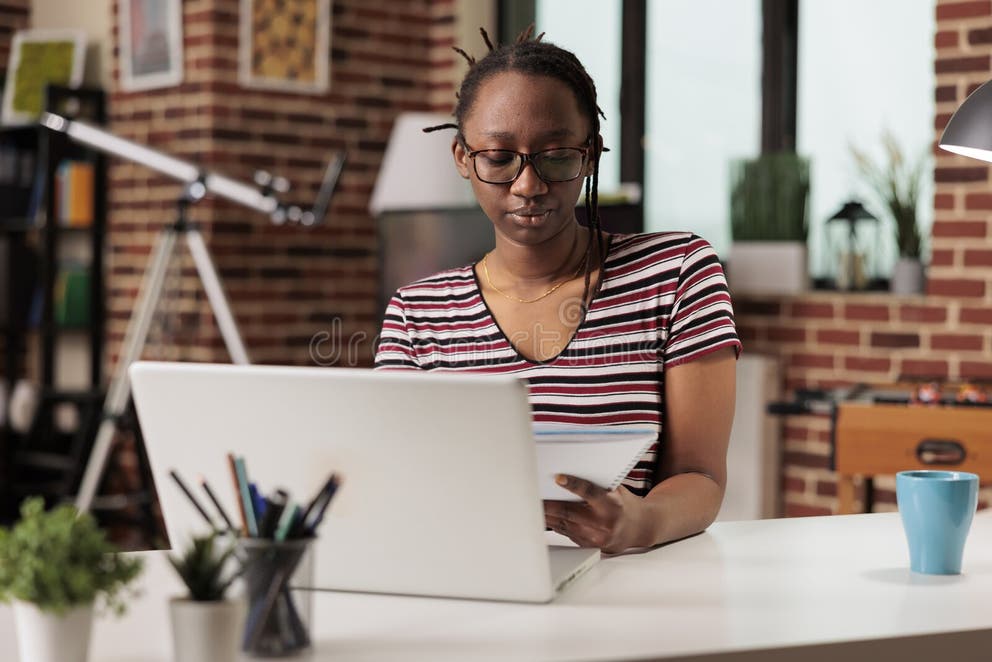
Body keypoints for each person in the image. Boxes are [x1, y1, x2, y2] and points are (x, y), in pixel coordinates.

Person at [375, 27, 741, 554]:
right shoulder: (417, 311)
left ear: (590, 153)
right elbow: (399, 480)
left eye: (557, 155)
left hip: (623, 588)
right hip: (470, 583)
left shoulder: (676, 273)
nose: (529, 185)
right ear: (462, 157)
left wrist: (641, 523)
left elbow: (700, 476)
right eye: (499, 157)